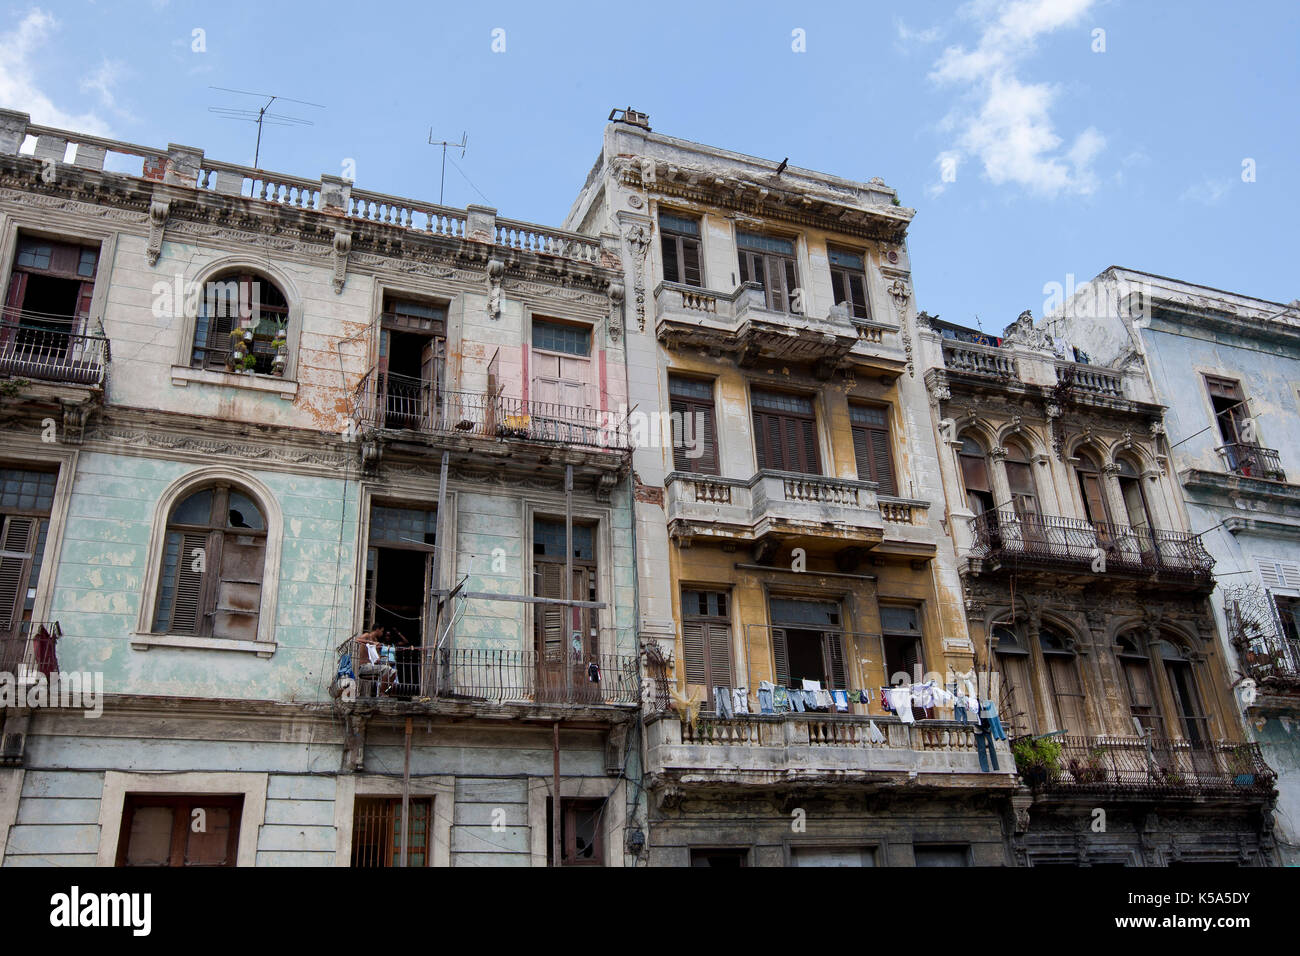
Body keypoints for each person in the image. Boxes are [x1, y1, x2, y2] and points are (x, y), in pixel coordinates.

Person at [355, 625, 396, 695]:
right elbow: (357, 640)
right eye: (382, 631)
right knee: (387, 669)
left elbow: (377, 657)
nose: (382, 633)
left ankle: (384, 691)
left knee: (393, 672)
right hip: (364, 666)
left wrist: (379, 658)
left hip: (373, 666)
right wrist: (371, 643)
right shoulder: (367, 635)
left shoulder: (376, 641)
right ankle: (382, 693)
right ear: (377, 630)